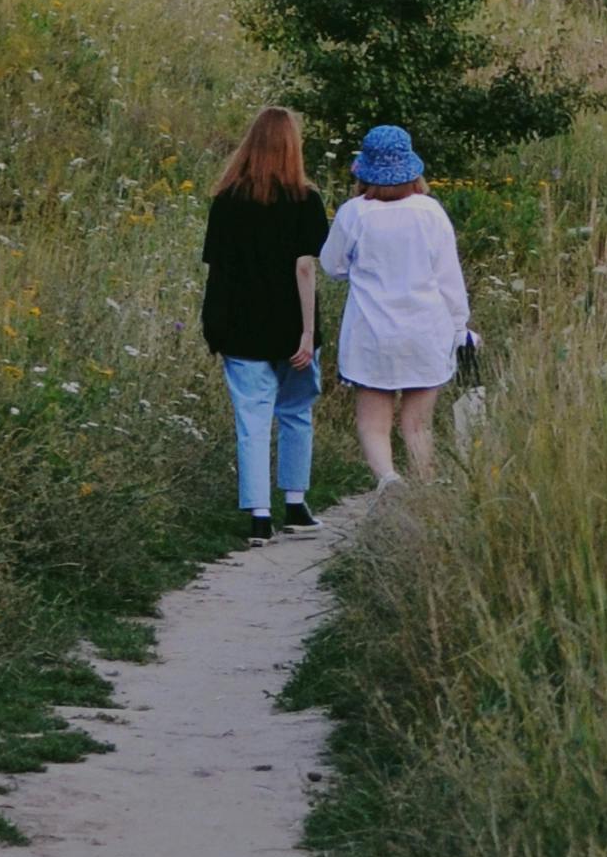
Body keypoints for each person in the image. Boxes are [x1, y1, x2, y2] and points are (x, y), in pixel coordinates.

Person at [199, 104, 329, 542]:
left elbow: (217, 268)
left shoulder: (226, 200)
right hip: (292, 326)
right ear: (293, 146)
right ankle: (295, 503)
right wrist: (308, 333)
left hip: (239, 325)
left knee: (251, 419)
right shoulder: (306, 200)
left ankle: (259, 515)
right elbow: (305, 267)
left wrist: (213, 325)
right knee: (295, 413)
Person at [320, 124, 473, 483]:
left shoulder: (354, 213)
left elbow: (332, 265)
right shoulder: (430, 212)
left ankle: (388, 481)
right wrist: (459, 326)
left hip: (372, 334)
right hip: (425, 329)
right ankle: (425, 485)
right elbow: (449, 278)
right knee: (418, 425)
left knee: (374, 423)